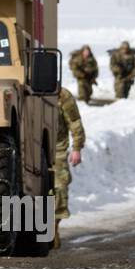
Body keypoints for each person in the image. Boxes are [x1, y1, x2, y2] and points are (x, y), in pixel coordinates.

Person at [52, 85, 86, 249]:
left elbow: (74, 121)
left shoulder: (62, 95)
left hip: (56, 150)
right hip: (27, 149)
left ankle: (52, 230)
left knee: (59, 190)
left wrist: (77, 148)